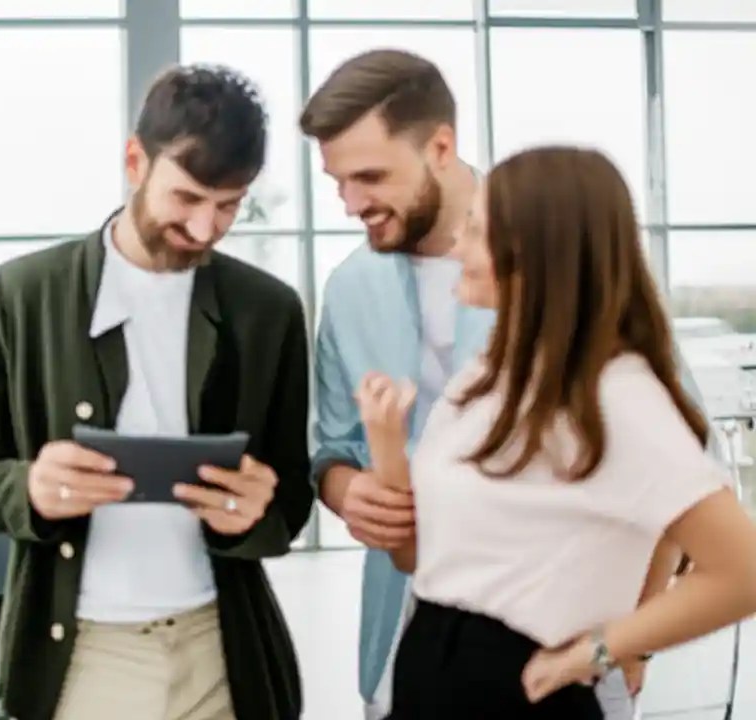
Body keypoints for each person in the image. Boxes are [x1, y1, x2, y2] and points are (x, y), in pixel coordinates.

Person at [298, 48, 698, 719]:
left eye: (369, 177)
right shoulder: (348, 288)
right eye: (337, 183)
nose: (350, 204)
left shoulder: (563, 274)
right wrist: (348, 490)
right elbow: (331, 451)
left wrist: (629, 645)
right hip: (408, 643)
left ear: (441, 147)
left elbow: (685, 482)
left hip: (557, 650)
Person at [0, 63, 314, 720]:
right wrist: (30, 488)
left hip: (220, 653)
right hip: (85, 657)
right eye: (187, 198)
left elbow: (291, 504)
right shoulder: (28, 294)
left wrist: (257, 512)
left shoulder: (268, 311)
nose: (205, 229)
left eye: (230, 205)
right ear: (135, 160)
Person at [354, 145, 756, 717]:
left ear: (533, 253)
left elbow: (743, 572)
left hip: (521, 694)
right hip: (428, 674)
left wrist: (603, 649)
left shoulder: (613, 394)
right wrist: (388, 448)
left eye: (475, 230)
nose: (454, 246)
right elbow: (421, 559)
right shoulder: (490, 372)